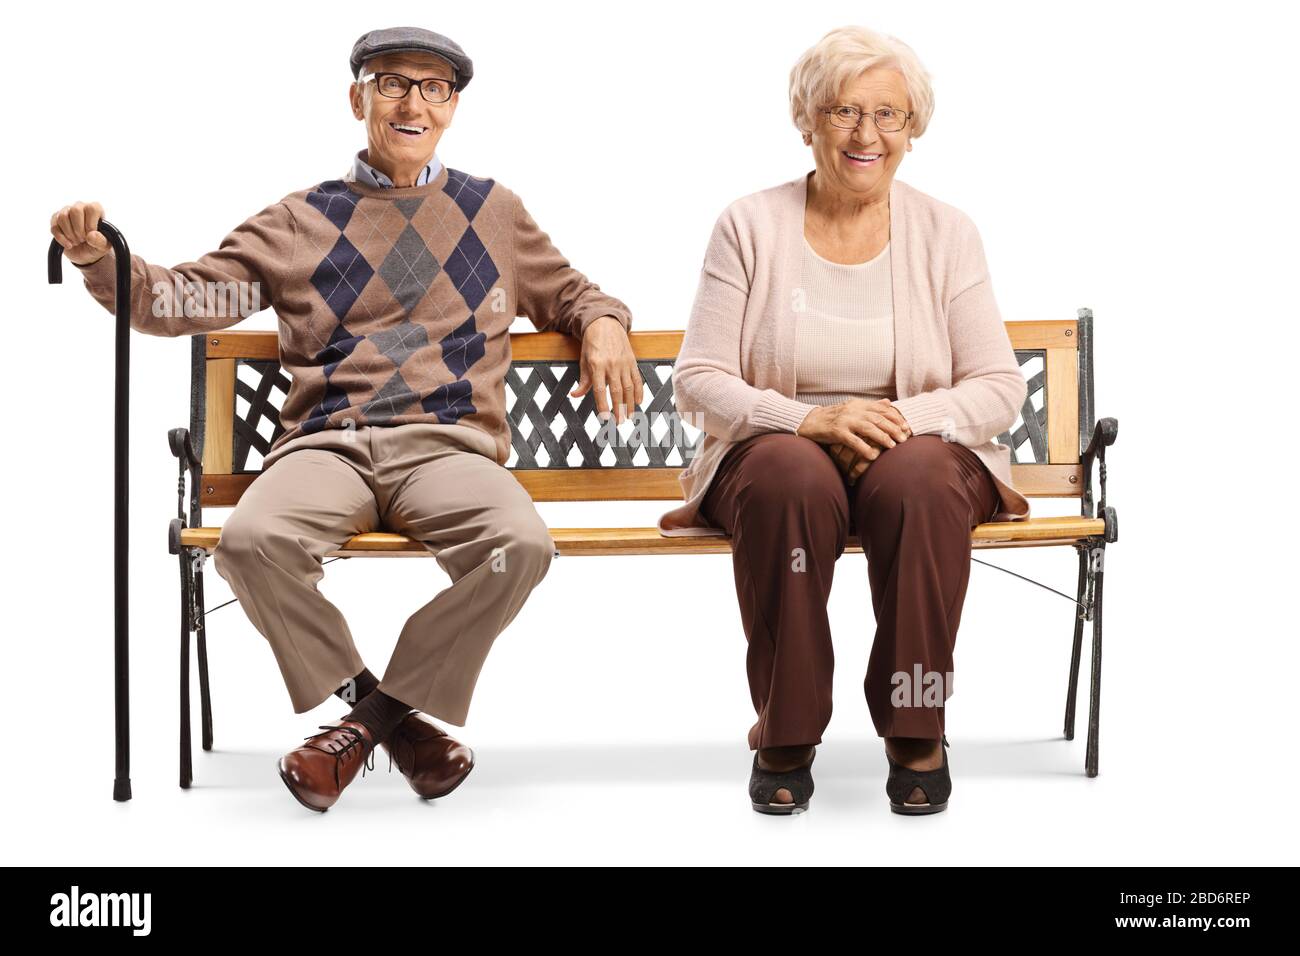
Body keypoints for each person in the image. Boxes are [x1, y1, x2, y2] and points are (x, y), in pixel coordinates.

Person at [50, 26, 642, 812]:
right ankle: (392, 720)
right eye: (392, 81)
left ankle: (362, 726)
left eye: (434, 88)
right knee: (251, 543)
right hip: (327, 448)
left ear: (454, 107)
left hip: (448, 449)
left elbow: (574, 292)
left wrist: (603, 323)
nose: (412, 102)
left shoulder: (492, 213)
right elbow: (182, 299)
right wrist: (100, 258)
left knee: (519, 545)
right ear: (356, 97)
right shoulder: (301, 220)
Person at [658, 25, 1030, 815]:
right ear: (807, 120)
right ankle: (786, 726)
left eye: (888, 115)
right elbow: (697, 378)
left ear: (912, 128)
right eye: (843, 112)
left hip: (913, 450)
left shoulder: (947, 233)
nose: (867, 135)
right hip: (781, 453)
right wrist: (806, 421)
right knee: (791, 477)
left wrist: (898, 420)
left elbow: (998, 385)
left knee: (923, 484)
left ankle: (916, 719)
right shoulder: (749, 225)